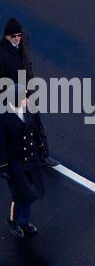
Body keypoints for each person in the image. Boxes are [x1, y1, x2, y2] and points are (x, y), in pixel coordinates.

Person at [3, 89, 48, 239]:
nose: (28, 100)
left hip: (31, 159)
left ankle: (23, 222)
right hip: (15, 162)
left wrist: (42, 150)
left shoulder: (30, 110)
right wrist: (3, 166)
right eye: (25, 98)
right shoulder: (3, 118)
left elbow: (36, 130)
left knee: (26, 193)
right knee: (23, 194)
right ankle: (13, 221)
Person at [0, 18, 33, 95]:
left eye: (19, 35)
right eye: (13, 36)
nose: (17, 38)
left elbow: (28, 68)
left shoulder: (24, 43)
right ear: (6, 36)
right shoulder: (2, 53)